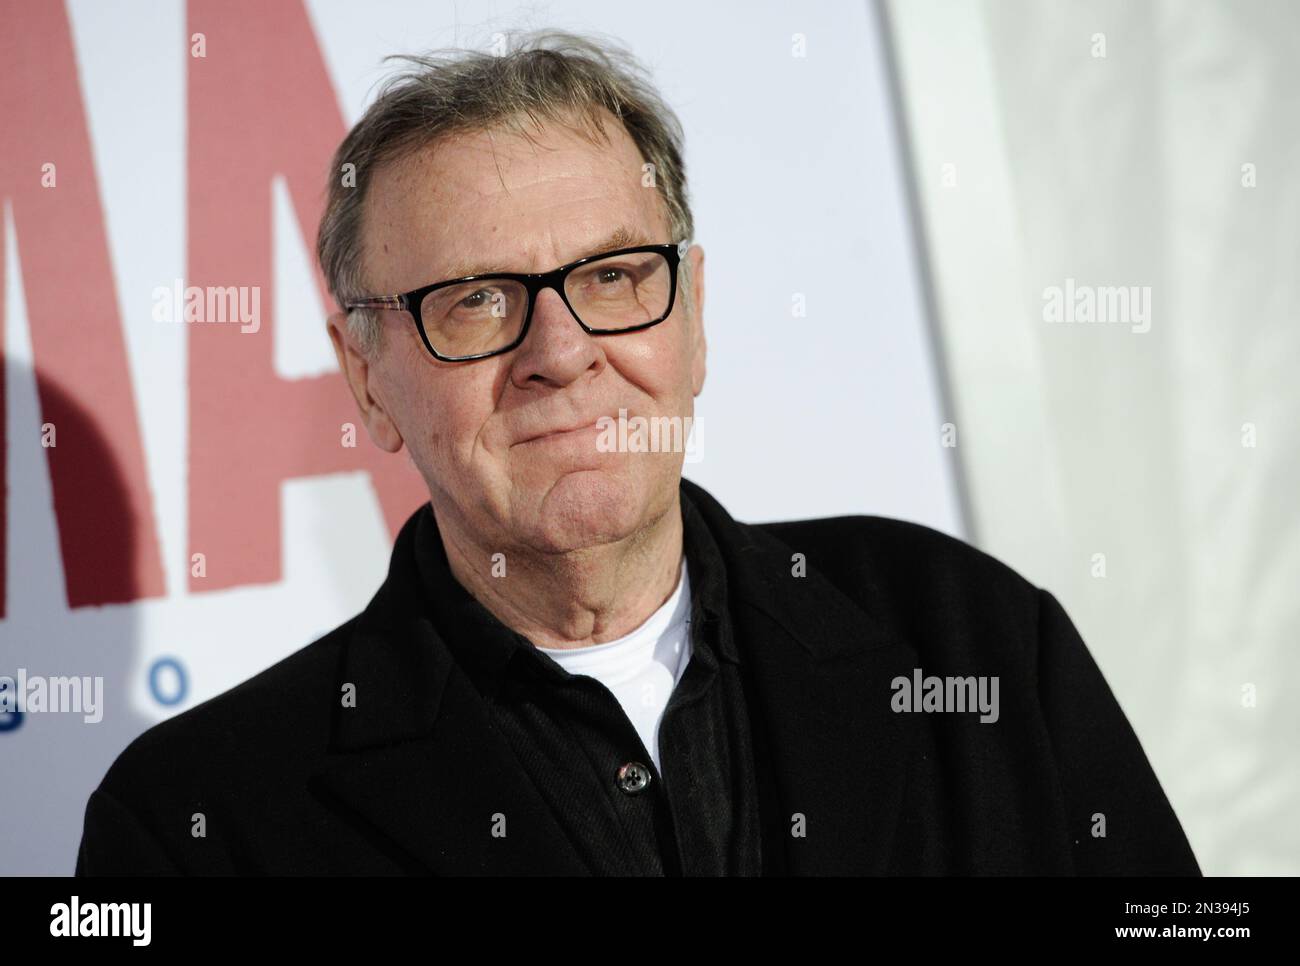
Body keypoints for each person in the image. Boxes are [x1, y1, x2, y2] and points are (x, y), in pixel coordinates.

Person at [75, 28, 1200, 876]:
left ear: (693, 314)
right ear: (368, 377)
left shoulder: (971, 636)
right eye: (475, 301)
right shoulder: (195, 825)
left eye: (612, 277)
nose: (560, 352)